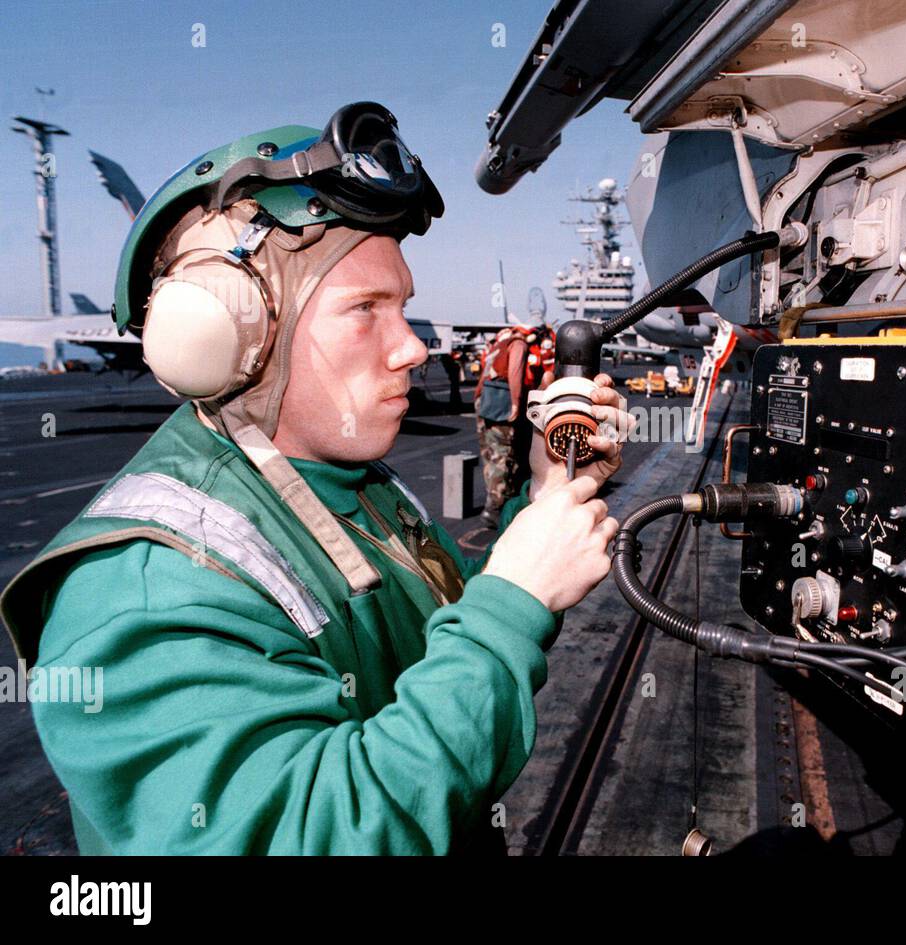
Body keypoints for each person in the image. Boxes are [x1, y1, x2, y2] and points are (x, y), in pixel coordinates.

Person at [0, 103, 632, 855]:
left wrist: (546, 495)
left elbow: (439, 621)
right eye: (366, 309)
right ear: (230, 334)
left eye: (404, 309)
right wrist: (514, 604)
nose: (412, 351)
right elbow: (317, 832)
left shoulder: (348, 484)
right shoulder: (144, 588)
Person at [474, 319, 555, 527]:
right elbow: (515, 372)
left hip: (485, 402)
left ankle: (497, 501)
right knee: (502, 456)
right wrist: (516, 404)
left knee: (491, 455)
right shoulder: (518, 343)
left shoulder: (499, 342)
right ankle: (495, 508)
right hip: (502, 404)